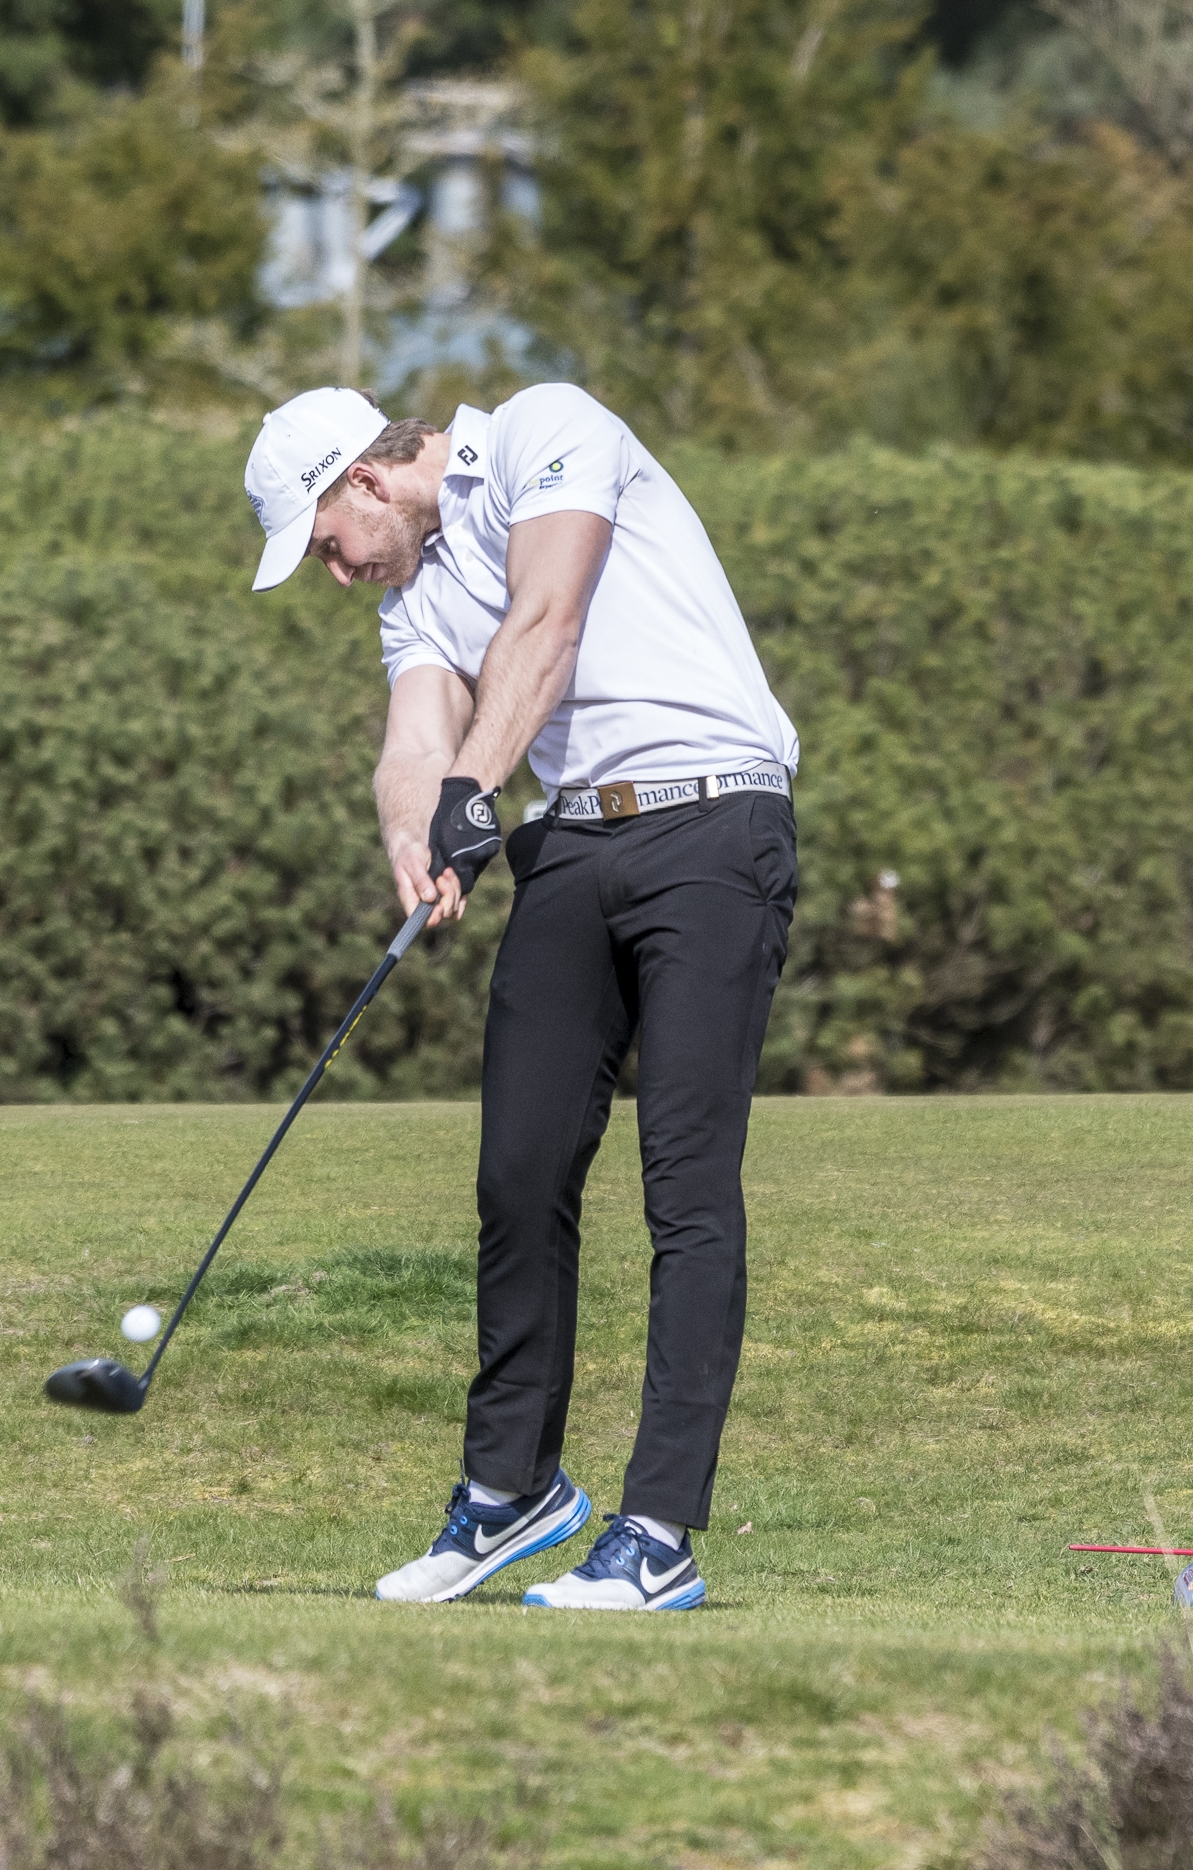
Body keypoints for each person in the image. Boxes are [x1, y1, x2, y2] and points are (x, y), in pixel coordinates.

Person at [241, 383, 801, 1611]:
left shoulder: (549, 431)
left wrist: (473, 798)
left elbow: (545, 624)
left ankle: (658, 1533)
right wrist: (415, 835)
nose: (338, 573)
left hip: (716, 822)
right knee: (519, 1171)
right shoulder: (418, 590)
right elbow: (416, 741)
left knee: (687, 1183)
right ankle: (513, 1491)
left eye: (330, 543)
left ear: (366, 480)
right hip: (577, 848)